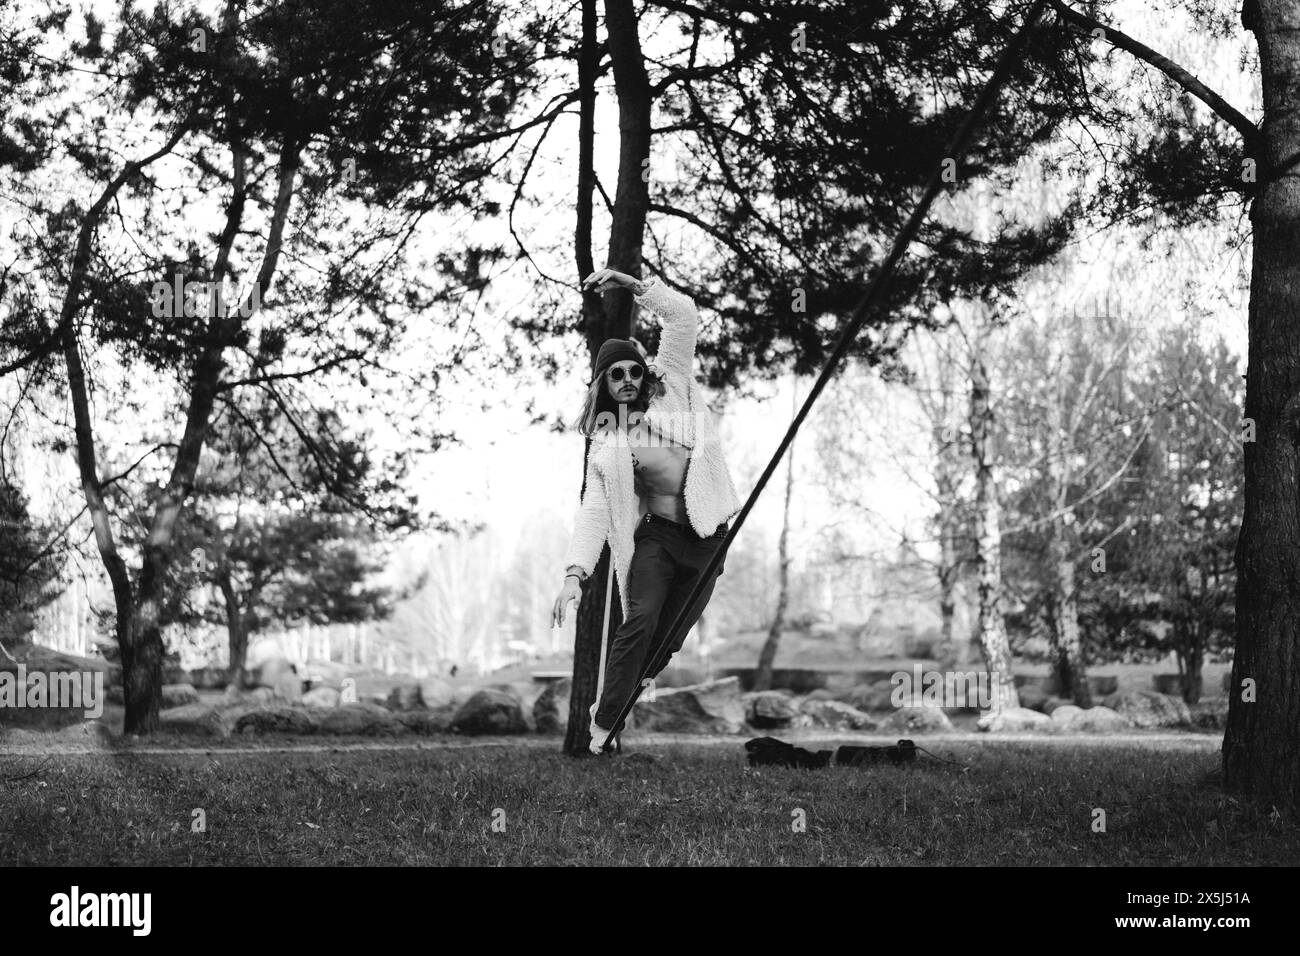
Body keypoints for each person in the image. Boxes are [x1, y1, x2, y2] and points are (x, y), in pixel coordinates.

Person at [551, 267, 741, 755]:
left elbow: (683, 318)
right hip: (657, 537)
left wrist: (634, 285)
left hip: (708, 535)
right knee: (641, 619)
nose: (629, 379)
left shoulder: (672, 386)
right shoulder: (607, 444)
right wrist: (575, 574)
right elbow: (594, 512)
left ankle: (627, 696)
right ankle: (604, 719)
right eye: (618, 374)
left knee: (668, 640)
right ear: (604, 383)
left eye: (635, 369)